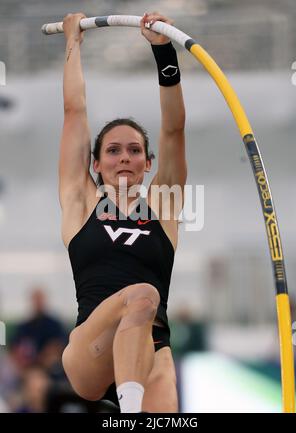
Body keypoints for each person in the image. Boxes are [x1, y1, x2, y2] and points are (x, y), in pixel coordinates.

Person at [59, 11, 186, 413]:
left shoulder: (163, 203)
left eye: (134, 150)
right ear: (95, 164)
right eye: (113, 150)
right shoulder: (81, 202)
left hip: (152, 349)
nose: (125, 158)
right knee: (142, 295)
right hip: (90, 352)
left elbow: (173, 129)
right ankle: (128, 412)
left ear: (148, 163)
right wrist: (73, 41)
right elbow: (74, 113)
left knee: (162, 367)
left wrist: (163, 50)